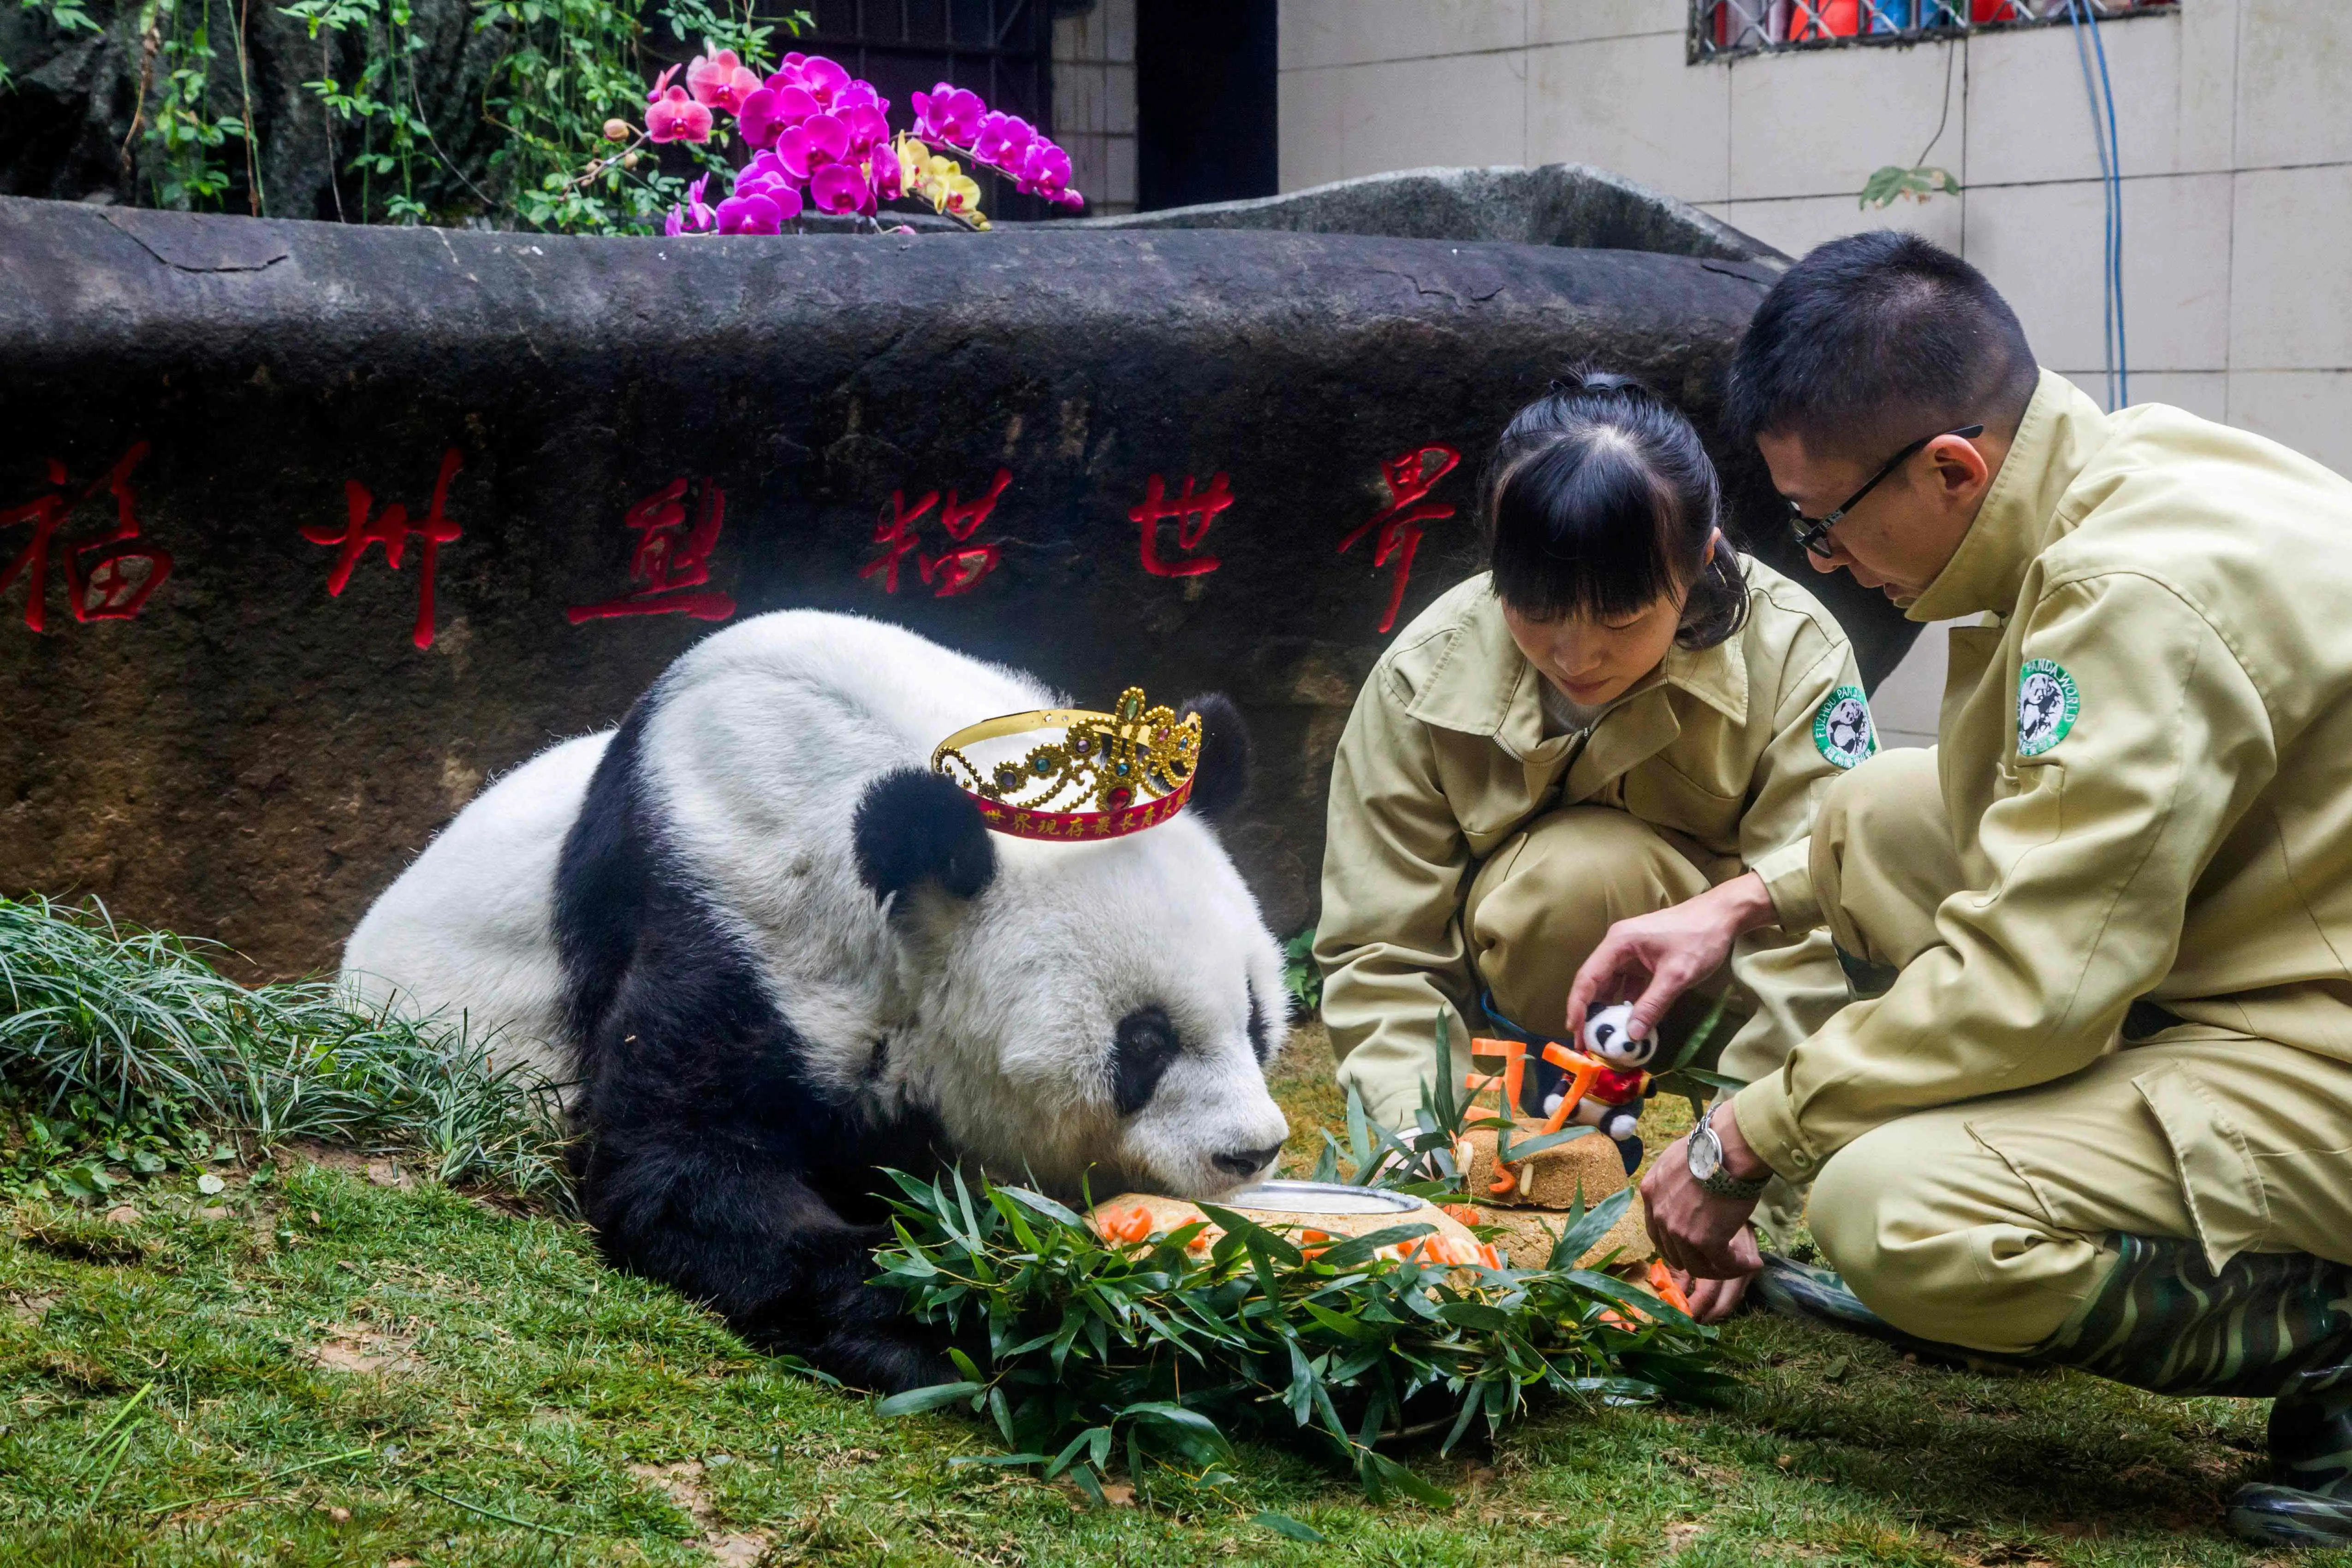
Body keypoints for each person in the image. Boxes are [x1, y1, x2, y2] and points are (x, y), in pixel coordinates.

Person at [1572, 232, 2352, 1546]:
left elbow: (2027, 984)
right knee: (1873, 814)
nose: (1817, 559)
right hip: (2280, 938)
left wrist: (1740, 1139)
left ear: (1950, 470)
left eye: (1822, 522)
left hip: (2313, 1029)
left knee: (1892, 1208)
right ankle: (2064, 1168)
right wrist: (1733, 907)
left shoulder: (2126, 595)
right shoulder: (2113, 471)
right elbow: (1994, 824)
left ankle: (2333, 1334)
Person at [1315, 371, 1865, 1206]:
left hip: (1721, 1018)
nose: (1575, 657)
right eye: (1535, 610)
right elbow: (1382, 950)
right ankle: (1535, 1112)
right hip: (1513, 1020)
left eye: (1620, 620)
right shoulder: (1419, 679)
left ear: (1701, 563)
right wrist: (1429, 1139)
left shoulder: (1796, 657)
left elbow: (1814, 938)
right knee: (1568, 880)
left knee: (1597, 871)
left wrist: (1743, 1164)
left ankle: (1687, 1132)